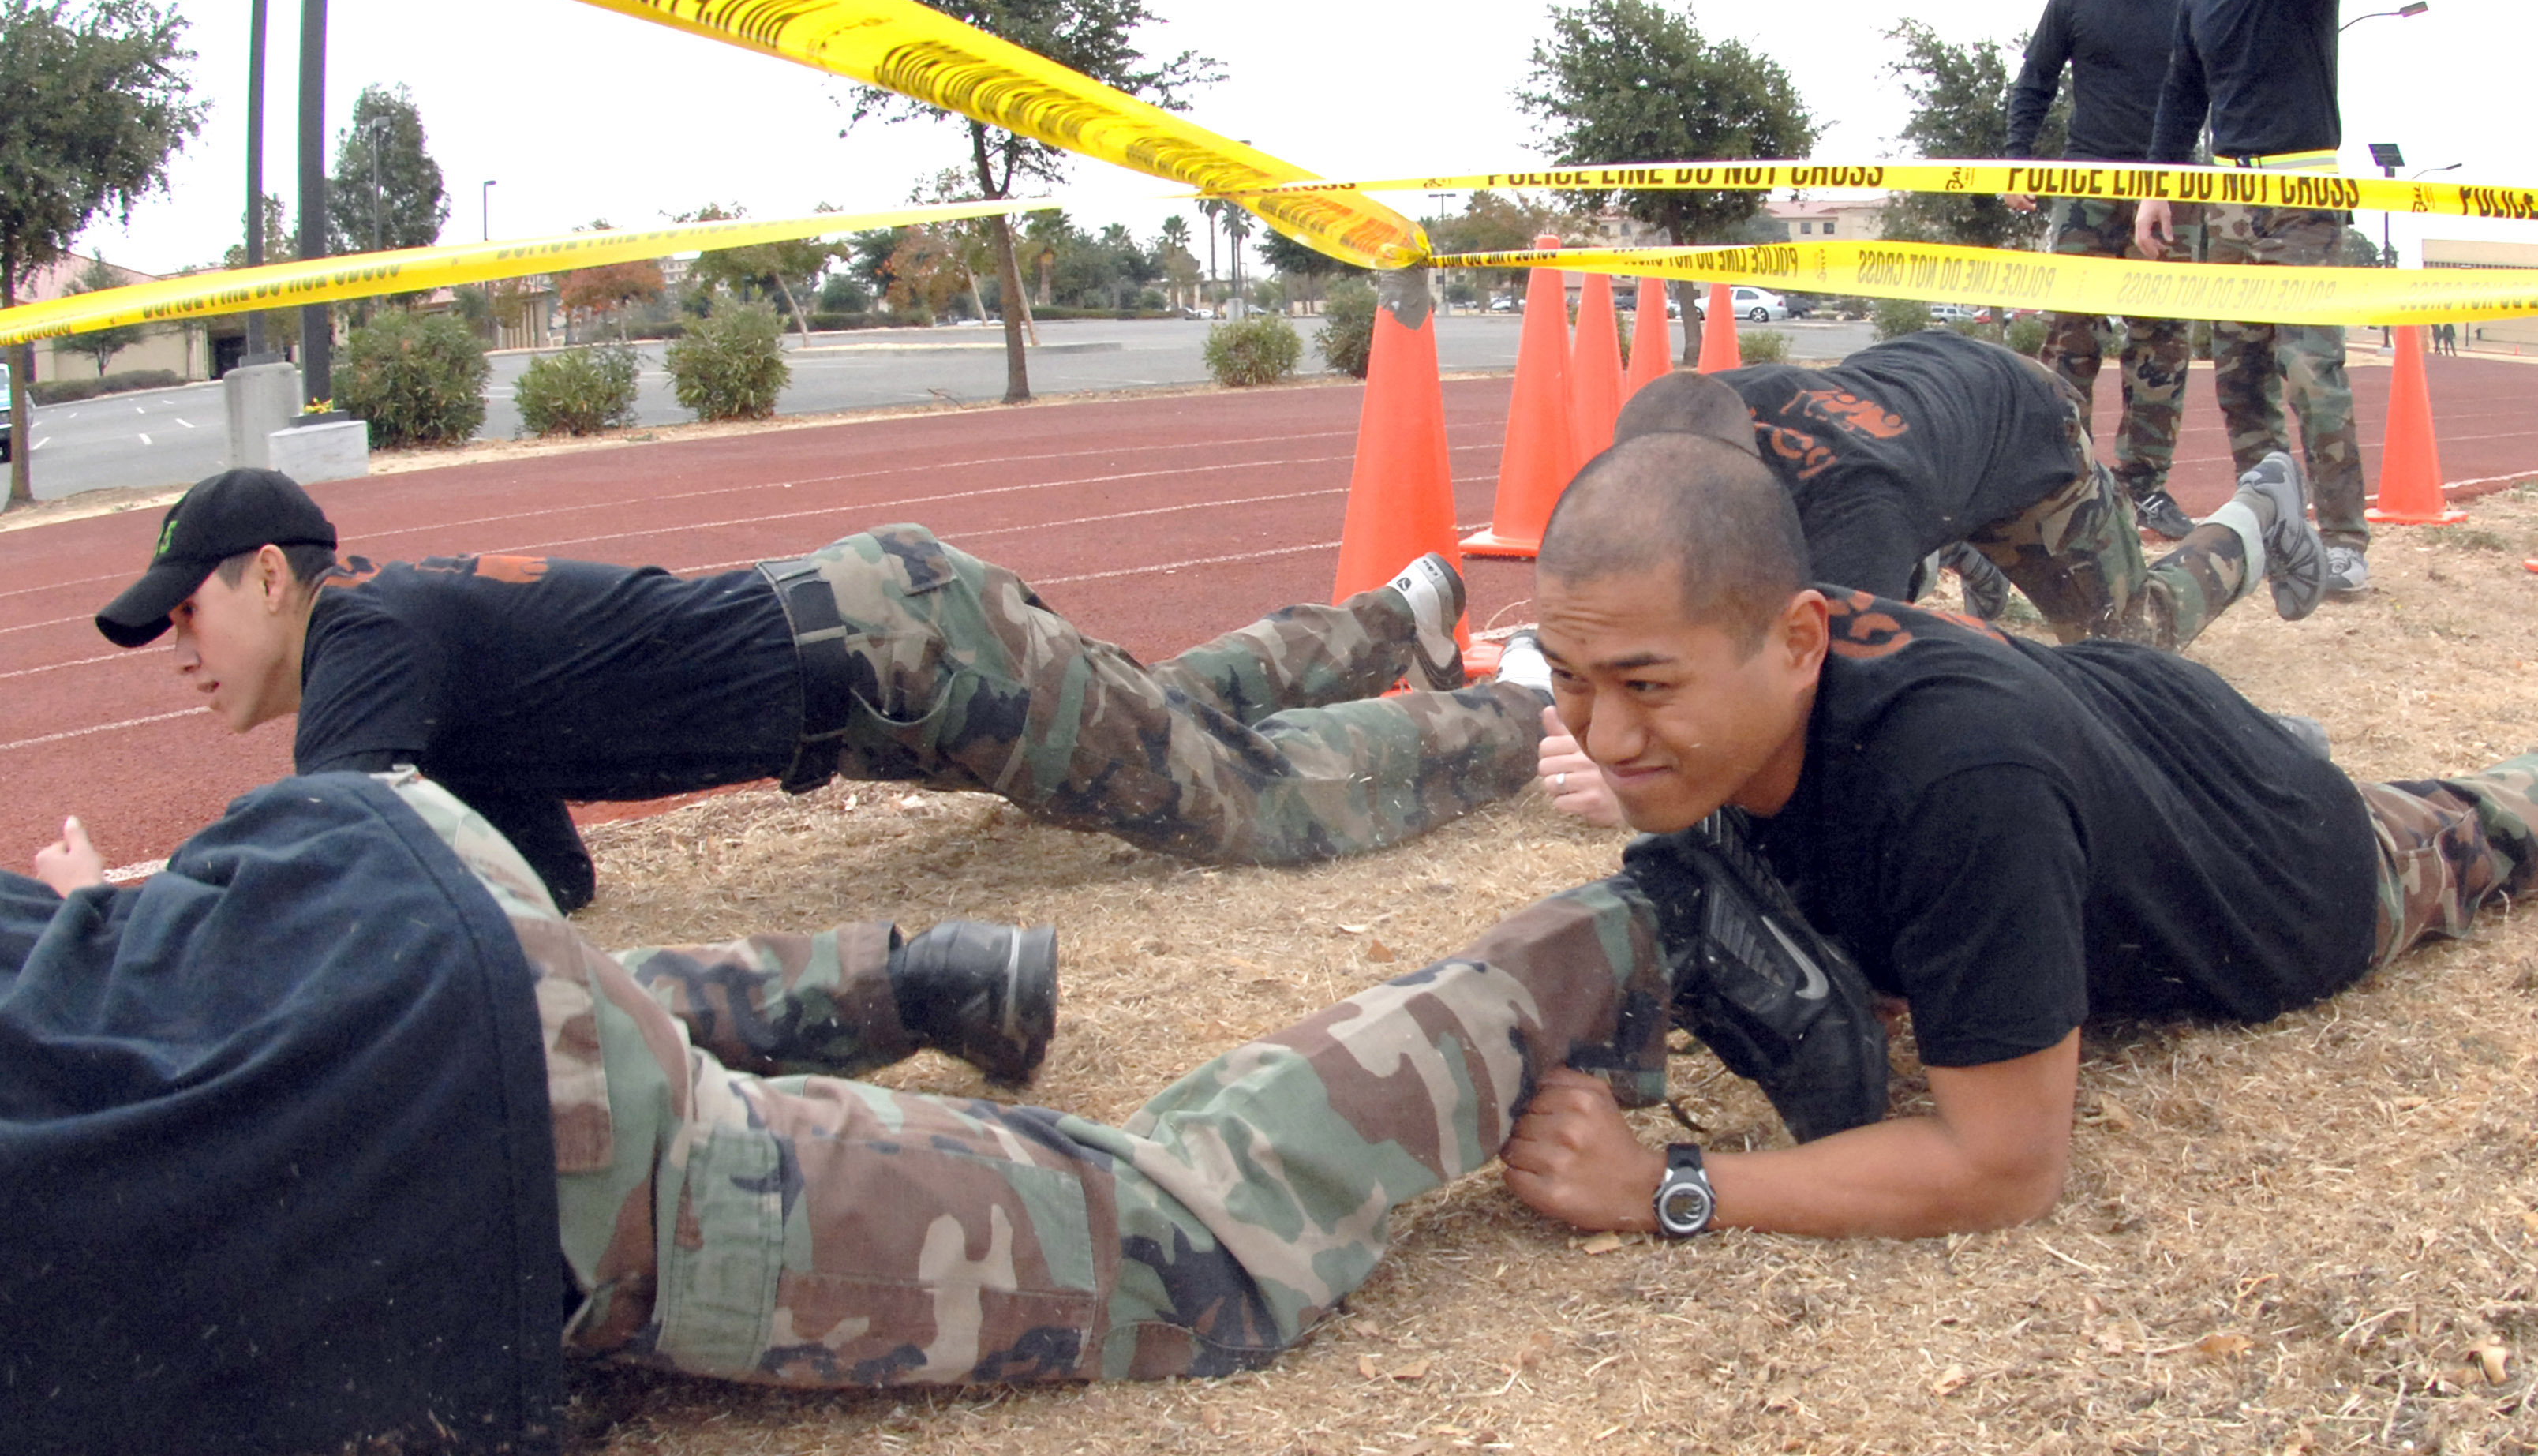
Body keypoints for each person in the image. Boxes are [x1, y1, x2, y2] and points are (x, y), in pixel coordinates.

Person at [9, 764, 1683, 1441]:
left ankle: (1616, 939)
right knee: (601, 1039)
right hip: (339, 929)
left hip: (434, 1090)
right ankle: (929, 976)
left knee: (1190, 1230)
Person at [1499, 432, 2538, 1241]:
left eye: (1647, 687)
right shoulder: (1746, 633)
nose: (1605, 735)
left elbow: (2002, 1170)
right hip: (2117, 727)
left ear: (1801, 640)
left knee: (2498, 817)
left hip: (2293, 854)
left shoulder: (1961, 784)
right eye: (1570, 679)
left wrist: (1664, 1187)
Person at [95, 469, 1544, 911]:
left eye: (186, 609)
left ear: (272, 577)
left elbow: (332, 847)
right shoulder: (406, 630)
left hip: (897, 657)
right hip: (882, 639)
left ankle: (1521, 706)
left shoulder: (363, 637)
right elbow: (555, 880)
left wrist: (132, 916)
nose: (180, 647)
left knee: (1242, 802)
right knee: (1158, 717)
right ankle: (1402, 614)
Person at [1611, 339, 2326, 651]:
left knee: (2130, 641)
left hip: (2022, 423)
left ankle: (2262, 510)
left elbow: (1838, 694)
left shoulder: (1855, 511)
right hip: (1929, 407)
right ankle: (1949, 543)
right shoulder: (1700, 406)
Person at [2135, 0, 2371, 597]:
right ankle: (2272, 531)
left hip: (2304, 196)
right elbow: (2182, 95)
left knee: (2311, 373)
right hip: (2228, 198)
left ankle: (2345, 541)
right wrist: (2156, 188)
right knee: (2240, 378)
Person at [2002, 0, 2197, 541]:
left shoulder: (2191, 3)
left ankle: (2145, 486)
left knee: (2161, 342)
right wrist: (2017, 159)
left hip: (2169, 190)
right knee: (2071, 339)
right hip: (2086, 188)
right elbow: (2035, 79)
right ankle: (2066, 481)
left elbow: (2220, 90)